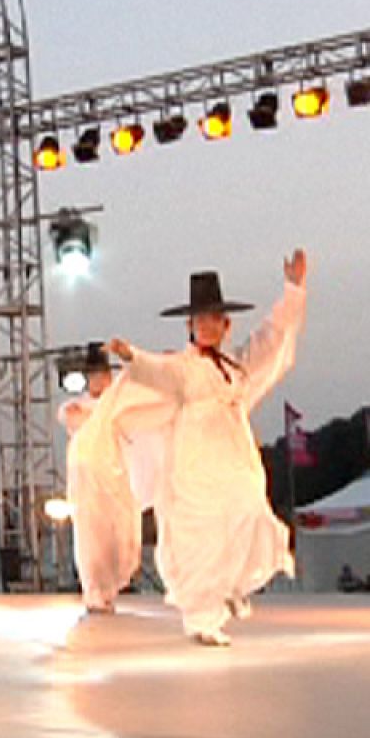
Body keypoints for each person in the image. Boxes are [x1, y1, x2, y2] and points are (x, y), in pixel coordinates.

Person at [105, 251, 309, 646]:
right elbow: (159, 372)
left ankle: (231, 585)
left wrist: (294, 289)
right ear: (190, 326)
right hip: (196, 458)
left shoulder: (234, 368)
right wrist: (131, 356)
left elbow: (273, 338)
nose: (207, 326)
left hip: (234, 455)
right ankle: (202, 618)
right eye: (200, 320)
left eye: (214, 320)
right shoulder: (185, 365)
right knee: (199, 534)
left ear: (226, 325)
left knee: (249, 510)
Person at [57, 352, 154, 615]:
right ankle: (93, 590)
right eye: (93, 375)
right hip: (87, 479)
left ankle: (109, 586)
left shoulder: (119, 405)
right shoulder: (75, 405)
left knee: (121, 534)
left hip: (114, 476)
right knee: (90, 536)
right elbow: (72, 418)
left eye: (103, 374)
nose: (98, 379)